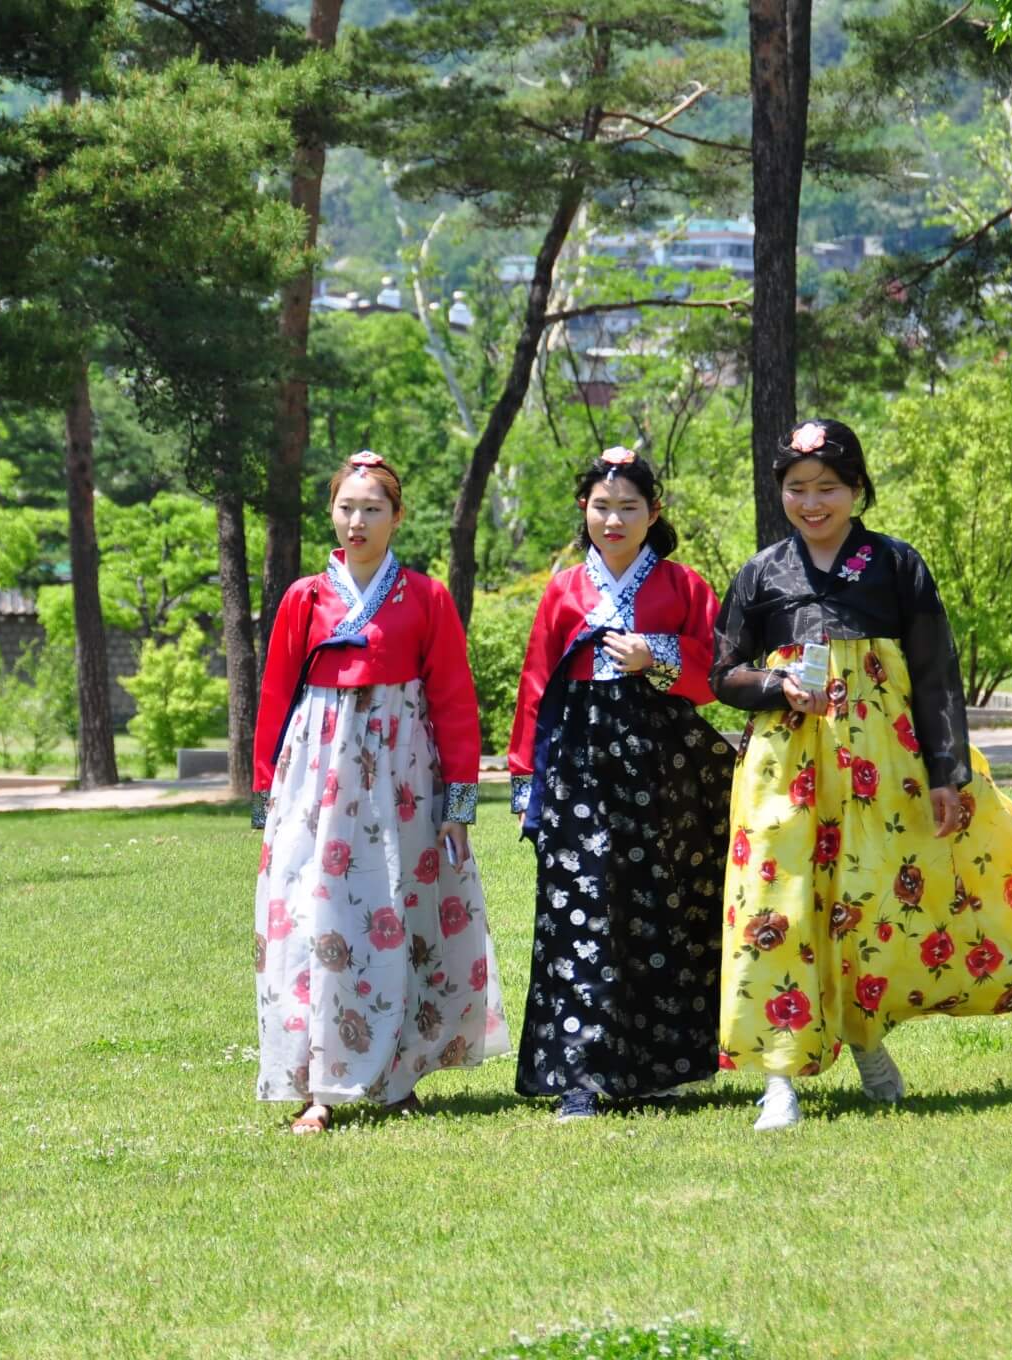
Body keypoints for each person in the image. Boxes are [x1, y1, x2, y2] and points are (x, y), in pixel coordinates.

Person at [713, 418, 1012, 1131]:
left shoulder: (896, 565)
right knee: (777, 907)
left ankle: (867, 1041)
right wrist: (775, 687)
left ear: (858, 490)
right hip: (785, 770)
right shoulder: (763, 574)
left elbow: (938, 677)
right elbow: (721, 674)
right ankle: (780, 1080)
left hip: (884, 770)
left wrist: (948, 773)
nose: (812, 503)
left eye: (828, 488)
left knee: (870, 909)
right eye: (797, 489)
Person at [251, 451, 509, 1133]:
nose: (357, 521)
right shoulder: (303, 598)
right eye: (346, 507)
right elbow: (277, 696)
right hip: (317, 781)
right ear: (331, 514)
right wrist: (264, 794)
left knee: (400, 914)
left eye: (372, 509)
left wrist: (457, 805)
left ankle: (396, 1077)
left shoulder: (426, 598)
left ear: (397, 517)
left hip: (403, 780)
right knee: (318, 918)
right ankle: (320, 1087)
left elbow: (454, 701)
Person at [506, 447, 734, 1120]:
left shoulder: (684, 587)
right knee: (580, 909)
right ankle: (580, 1075)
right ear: (585, 510)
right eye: (603, 507)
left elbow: (715, 672)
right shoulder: (563, 591)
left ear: (653, 513)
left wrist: (654, 655)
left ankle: (658, 1071)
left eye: (629, 508)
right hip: (580, 764)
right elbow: (534, 689)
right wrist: (528, 783)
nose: (614, 520)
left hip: (661, 766)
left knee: (661, 907)